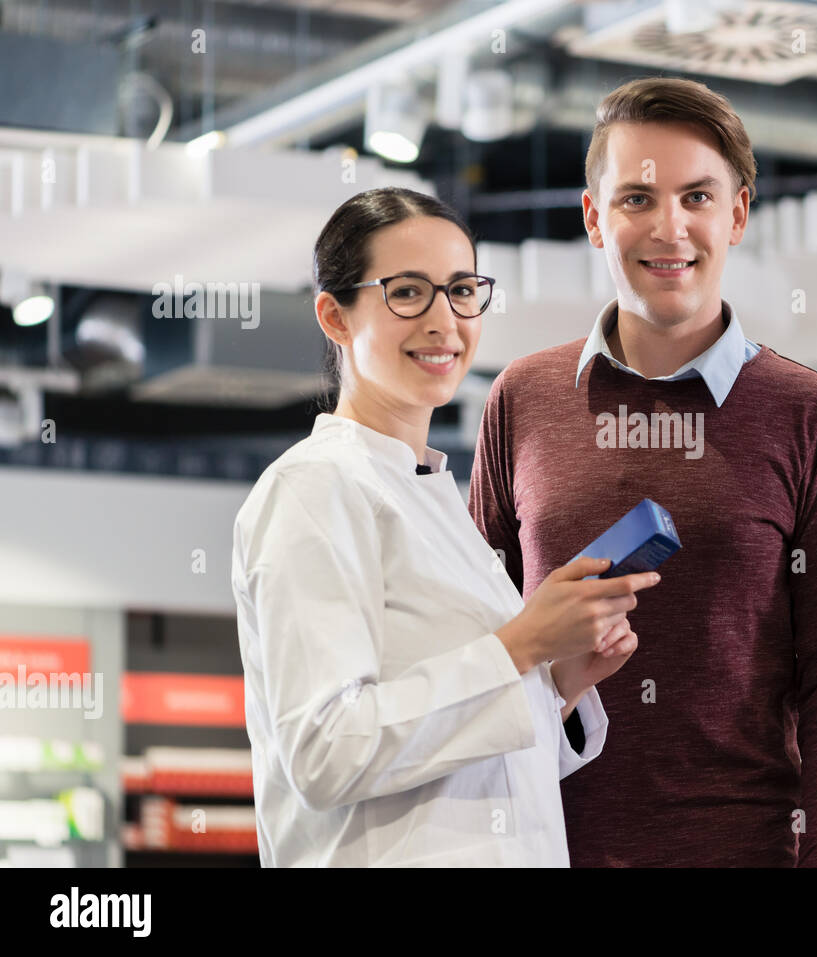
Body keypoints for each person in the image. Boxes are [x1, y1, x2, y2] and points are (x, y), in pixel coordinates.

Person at [469, 78, 817, 867]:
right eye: (636, 198)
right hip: (541, 848)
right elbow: (471, 633)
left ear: (736, 214)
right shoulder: (520, 399)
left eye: (698, 195)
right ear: (594, 218)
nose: (671, 227)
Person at [230, 187, 659, 866]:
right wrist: (519, 646)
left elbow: (474, 779)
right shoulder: (314, 487)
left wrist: (558, 684)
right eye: (407, 293)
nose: (444, 321)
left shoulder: (433, 498)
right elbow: (323, 750)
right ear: (334, 317)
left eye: (462, 291)